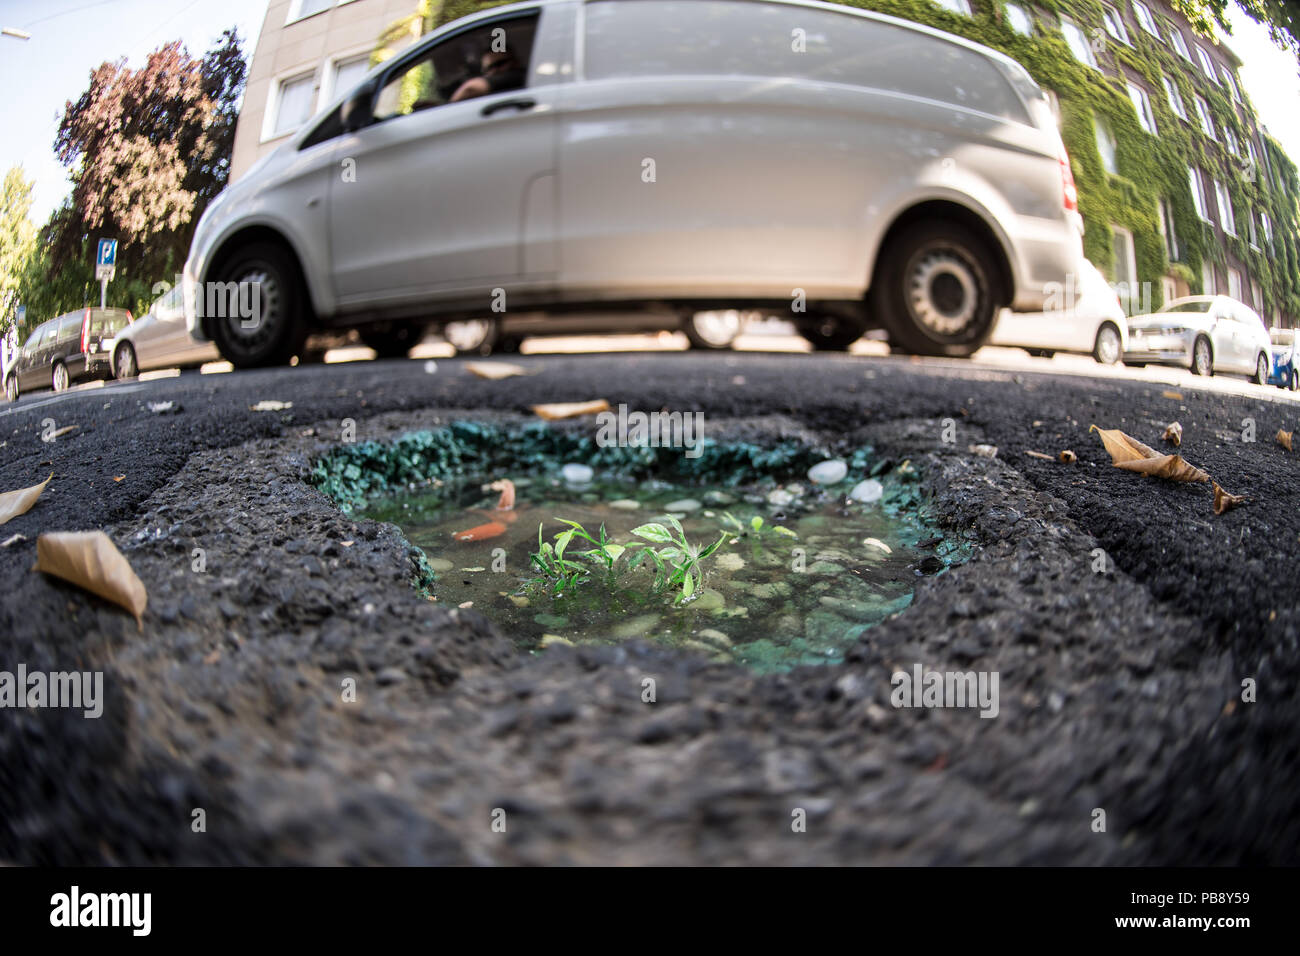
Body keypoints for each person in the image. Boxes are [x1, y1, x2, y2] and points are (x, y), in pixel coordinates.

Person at [450, 47, 525, 103]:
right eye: (489, 68)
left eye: (500, 64)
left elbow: (470, 89)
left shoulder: (520, 76)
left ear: (516, 62)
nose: (495, 70)